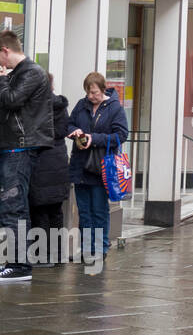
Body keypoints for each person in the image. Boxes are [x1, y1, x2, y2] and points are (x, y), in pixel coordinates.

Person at [0, 33, 53, 282]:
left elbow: (11, 100)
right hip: (12, 146)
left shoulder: (31, 72)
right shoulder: (18, 74)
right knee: (12, 205)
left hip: (19, 147)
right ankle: (18, 262)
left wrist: (1, 80)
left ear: (5, 50)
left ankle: (20, 264)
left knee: (14, 206)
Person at [66, 71, 126, 269]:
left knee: (99, 210)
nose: (91, 97)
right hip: (81, 166)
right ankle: (86, 250)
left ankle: (99, 250)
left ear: (103, 89)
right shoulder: (82, 105)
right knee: (84, 212)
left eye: (94, 93)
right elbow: (69, 123)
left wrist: (94, 138)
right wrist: (74, 132)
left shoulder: (115, 108)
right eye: (88, 93)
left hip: (102, 167)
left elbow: (121, 135)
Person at [28, 77, 71, 267]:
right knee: (55, 211)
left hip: (41, 164)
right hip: (59, 163)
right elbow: (62, 131)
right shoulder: (60, 106)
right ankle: (58, 253)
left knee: (40, 211)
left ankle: (42, 256)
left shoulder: (36, 106)